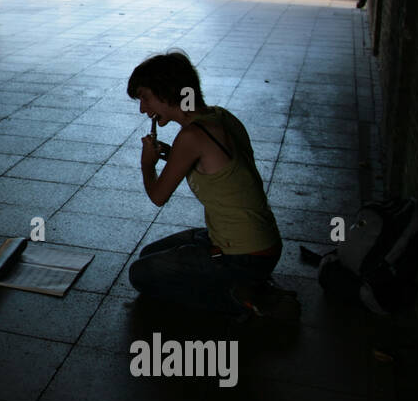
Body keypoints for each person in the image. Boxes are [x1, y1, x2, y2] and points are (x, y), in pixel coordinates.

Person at [126, 51, 299, 319]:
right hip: (261, 243)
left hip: (243, 254)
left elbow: (158, 196)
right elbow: (216, 165)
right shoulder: (219, 117)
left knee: (140, 274)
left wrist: (147, 164)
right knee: (149, 254)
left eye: (145, 98)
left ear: (166, 92)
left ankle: (245, 297)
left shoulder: (192, 137)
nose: (143, 109)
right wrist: (172, 155)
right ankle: (250, 281)